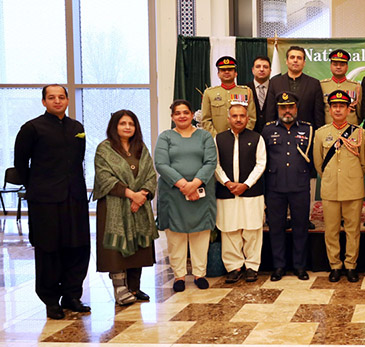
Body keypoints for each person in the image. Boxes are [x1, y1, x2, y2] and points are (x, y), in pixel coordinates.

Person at [14, 84, 91, 319]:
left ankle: (71, 295)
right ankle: (50, 299)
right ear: (44, 102)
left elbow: (79, 159)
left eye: (61, 97)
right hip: (45, 200)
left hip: (74, 197)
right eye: (51, 97)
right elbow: (20, 164)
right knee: (49, 249)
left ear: (67, 100)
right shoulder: (32, 128)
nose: (57, 101)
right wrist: (36, 187)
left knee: (78, 247)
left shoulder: (76, 127)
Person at [93, 110, 157, 306]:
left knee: (138, 245)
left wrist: (141, 195)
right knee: (117, 247)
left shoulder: (140, 148)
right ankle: (120, 289)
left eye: (131, 123)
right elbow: (104, 178)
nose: (127, 127)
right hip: (114, 205)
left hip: (139, 205)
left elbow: (150, 175)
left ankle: (134, 288)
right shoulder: (104, 149)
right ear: (114, 126)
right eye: (123, 123)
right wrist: (131, 195)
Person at [155, 99, 217, 292]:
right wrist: (183, 185)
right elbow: (161, 164)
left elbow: (210, 162)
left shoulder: (205, 136)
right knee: (176, 236)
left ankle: (200, 274)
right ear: (172, 117)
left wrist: (194, 184)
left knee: (201, 234)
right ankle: (179, 276)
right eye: (177, 113)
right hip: (173, 193)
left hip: (201, 192)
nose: (182, 116)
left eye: (185, 112)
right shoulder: (165, 137)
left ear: (192, 115)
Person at [314, 91, 365, 283]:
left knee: (353, 230)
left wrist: (351, 177)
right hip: (330, 189)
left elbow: (363, 163)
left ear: (348, 109)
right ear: (329, 109)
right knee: (331, 230)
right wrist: (331, 178)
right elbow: (319, 163)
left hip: (353, 188)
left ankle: (351, 265)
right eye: (334, 106)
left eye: (341, 106)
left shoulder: (359, 133)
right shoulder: (321, 133)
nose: (337, 110)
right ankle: (335, 265)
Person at [262, 92, 315, 281]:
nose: (287, 111)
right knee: (276, 228)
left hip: (300, 185)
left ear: (296, 108)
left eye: (290, 107)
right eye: (283, 107)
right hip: (274, 186)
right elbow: (263, 159)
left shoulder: (308, 129)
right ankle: (279, 266)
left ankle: (300, 266)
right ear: (277, 109)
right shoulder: (268, 130)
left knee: (301, 227)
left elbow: (313, 158)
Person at [214, 103, 266, 284]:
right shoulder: (219, 139)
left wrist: (246, 184)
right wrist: (227, 182)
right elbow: (215, 164)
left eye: (242, 116)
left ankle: (252, 266)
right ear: (228, 119)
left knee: (252, 230)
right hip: (226, 191)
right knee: (229, 229)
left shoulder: (257, 138)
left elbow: (261, 164)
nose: (238, 119)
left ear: (247, 118)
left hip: (251, 192)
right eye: (234, 116)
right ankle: (233, 267)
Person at [266, 45, 325, 129]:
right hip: (280, 132)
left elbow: (318, 115)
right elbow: (270, 113)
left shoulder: (314, 84)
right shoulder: (275, 82)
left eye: (299, 58)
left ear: (304, 63)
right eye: (292, 57)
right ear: (287, 61)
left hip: (306, 132)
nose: (295, 60)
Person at [200, 56, 257, 136]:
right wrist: (216, 137)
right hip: (217, 138)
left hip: (241, 138)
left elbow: (251, 118)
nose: (226, 72)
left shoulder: (246, 92)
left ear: (236, 73)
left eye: (230, 70)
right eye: (223, 70)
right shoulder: (209, 93)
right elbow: (206, 120)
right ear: (218, 74)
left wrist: (242, 136)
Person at [320, 49, 362, 126]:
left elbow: (360, 113)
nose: (338, 67)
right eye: (335, 64)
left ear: (347, 67)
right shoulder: (322, 85)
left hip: (350, 129)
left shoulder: (356, 86)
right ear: (330, 66)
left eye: (342, 65)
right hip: (328, 129)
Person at [246, 56, 271, 133]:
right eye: (258, 66)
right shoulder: (245, 89)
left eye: (265, 67)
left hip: (272, 133)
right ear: (253, 70)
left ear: (270, 70)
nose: (261, 69)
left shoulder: (276, 87)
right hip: (250, 133)